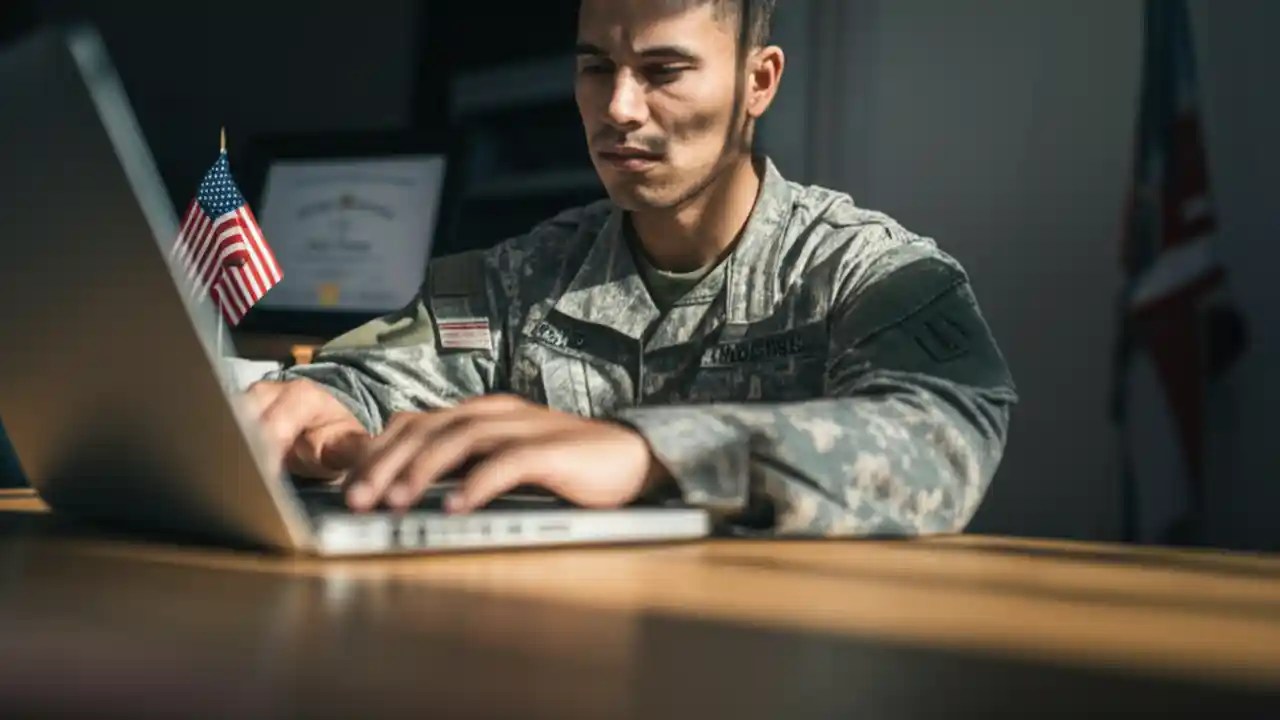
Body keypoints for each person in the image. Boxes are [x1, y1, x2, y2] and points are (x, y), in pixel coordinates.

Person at [246, 0, 1018, 537]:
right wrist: (321, 403)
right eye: (596, 67)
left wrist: (652, 450)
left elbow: (943, 436)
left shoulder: (865, 271)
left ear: (759, 81)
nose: (617, 107)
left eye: (663, 70)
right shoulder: (523, 280)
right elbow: (378, 378)